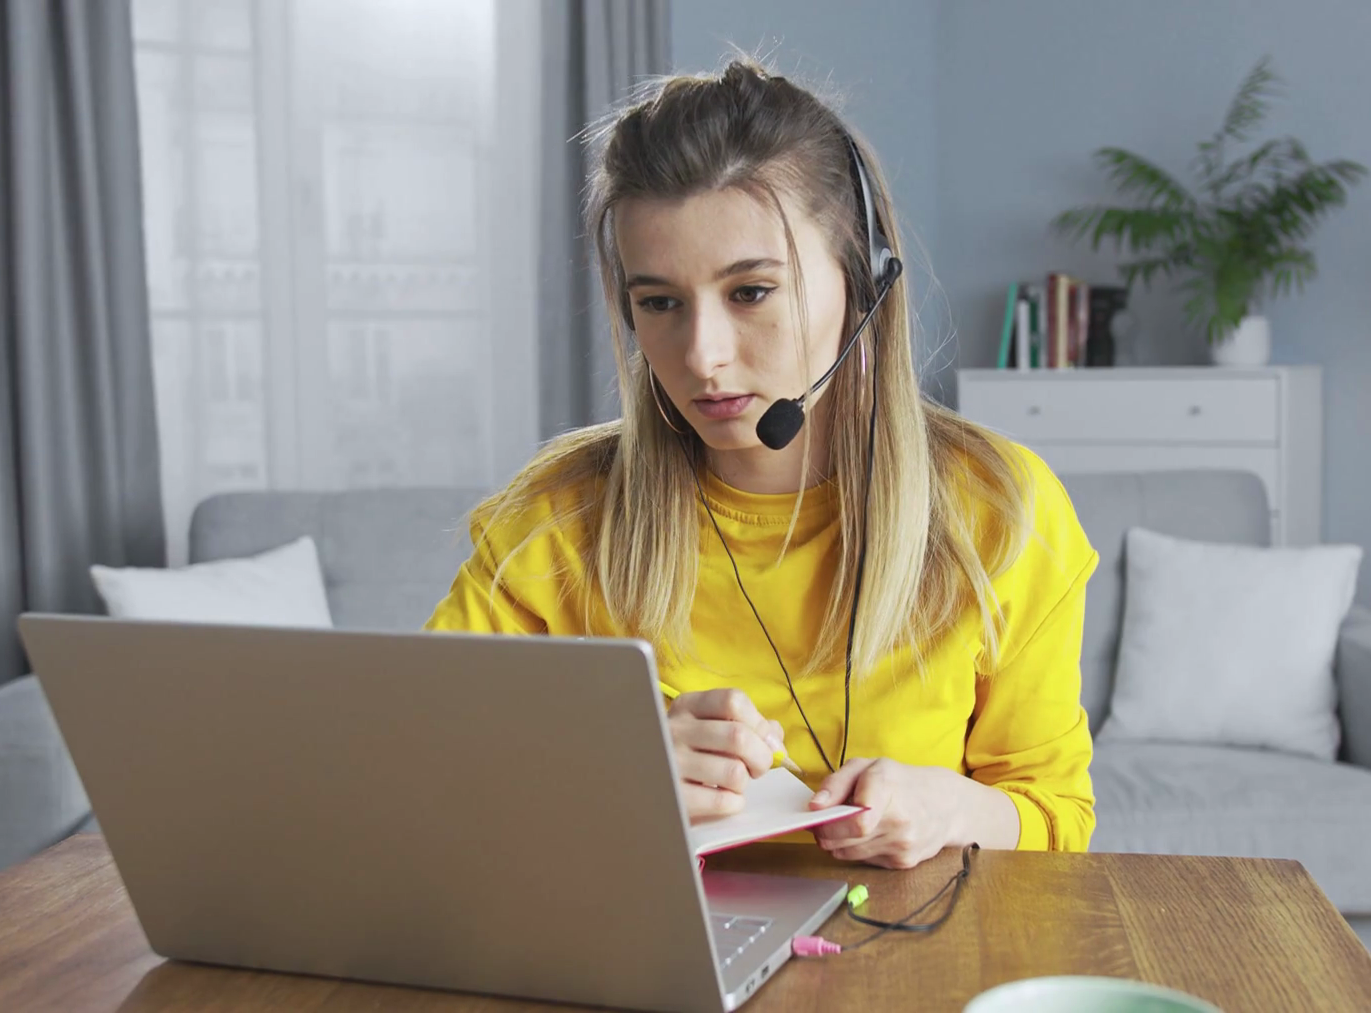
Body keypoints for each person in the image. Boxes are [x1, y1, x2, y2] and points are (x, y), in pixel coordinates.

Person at [425, 58, 1098, 869]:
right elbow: (414, 772)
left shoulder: (1001, 509)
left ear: (862, 281)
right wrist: (602, 769)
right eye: (659, 303)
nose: (702, 356)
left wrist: (949, 807)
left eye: (750, 293)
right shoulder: (555, 519)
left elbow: (1055, 820)